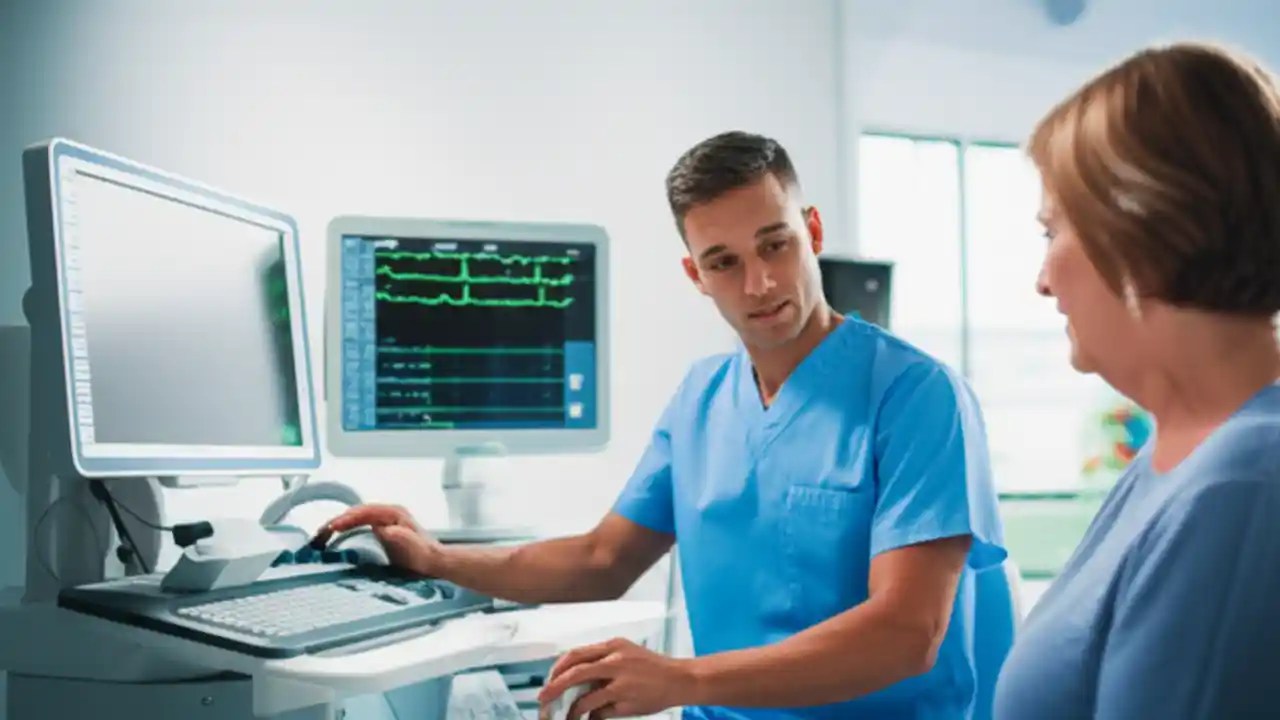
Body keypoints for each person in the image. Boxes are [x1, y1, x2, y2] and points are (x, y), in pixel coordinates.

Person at [319, 131, 1007, 719]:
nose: (759, 283)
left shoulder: (916, 396)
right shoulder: (701, 397)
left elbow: (907, 632)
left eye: (775, 245)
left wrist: (682, 680)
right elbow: (602, 559)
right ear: (695, 274)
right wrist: (435, 558)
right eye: (724, 262)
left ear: (814, 232)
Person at [993, 41, 1280, 719]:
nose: (1042, 281)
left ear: (1138, 232)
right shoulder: (1176, 460)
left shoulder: (1241, 483)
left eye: (1051, 233)